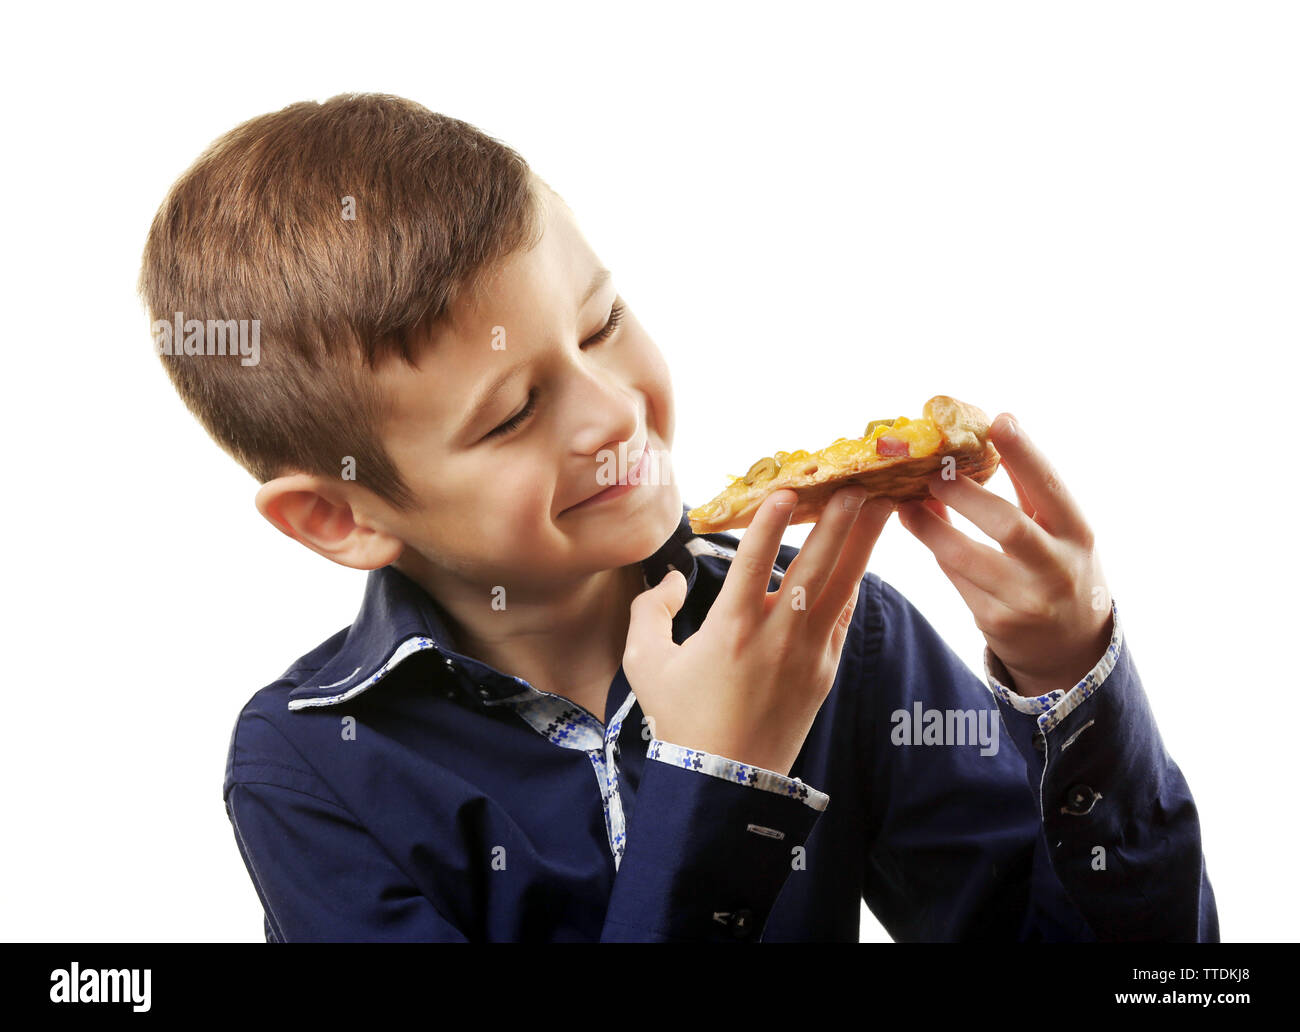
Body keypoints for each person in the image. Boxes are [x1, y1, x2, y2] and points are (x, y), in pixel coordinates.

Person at [140, 93, 1217, 942]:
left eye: (603, 322)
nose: (615, 412)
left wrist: (1067, 678)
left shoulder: (839, 634)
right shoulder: (312, 766)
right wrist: (719, 786)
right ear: (337, 516)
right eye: (514, 413)